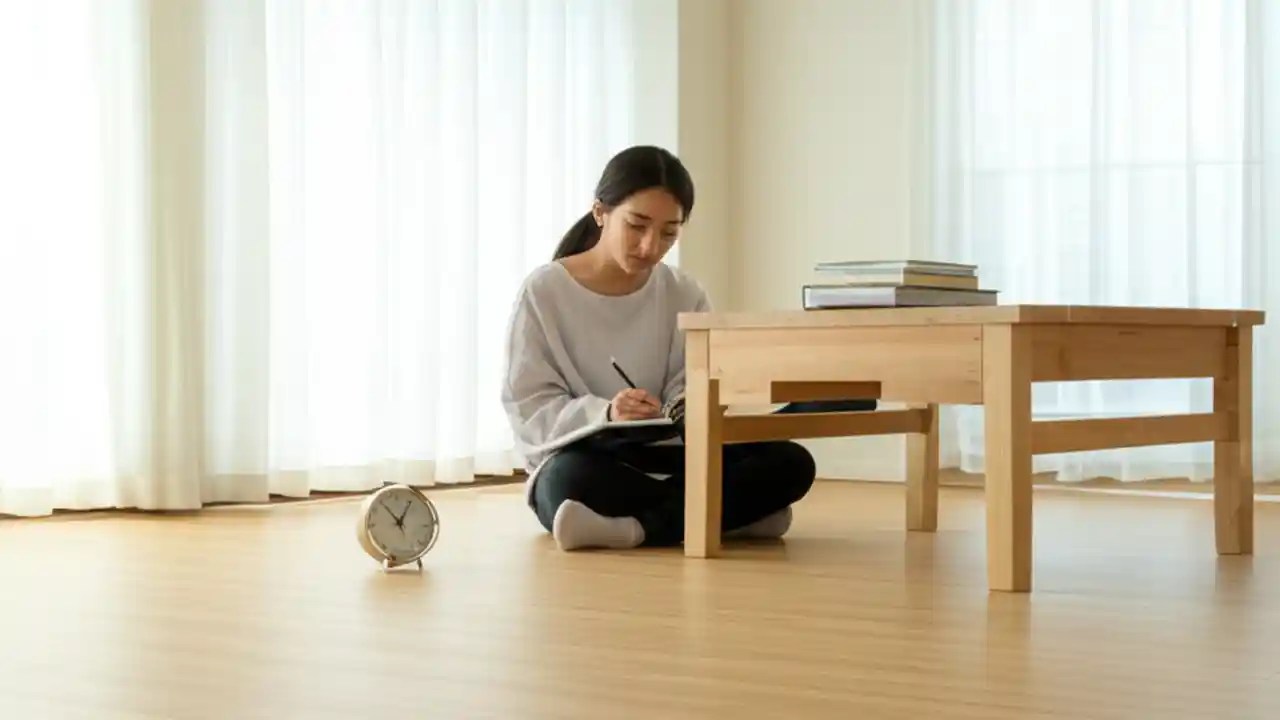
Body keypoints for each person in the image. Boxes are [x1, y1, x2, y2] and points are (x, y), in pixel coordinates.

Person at [500, 145, 817, 551]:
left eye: (669, 232)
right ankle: (725, 517)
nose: (651, 246)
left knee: (791, 462)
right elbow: (529, 404)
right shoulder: (544, 291)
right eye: (637, 226)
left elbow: (696, 378)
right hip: (595, 460)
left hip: (673, 456)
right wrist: (607, 412)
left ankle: (635, 530)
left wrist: (683, 407)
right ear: (601, 212)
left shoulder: (683, 291)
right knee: (566, 481)